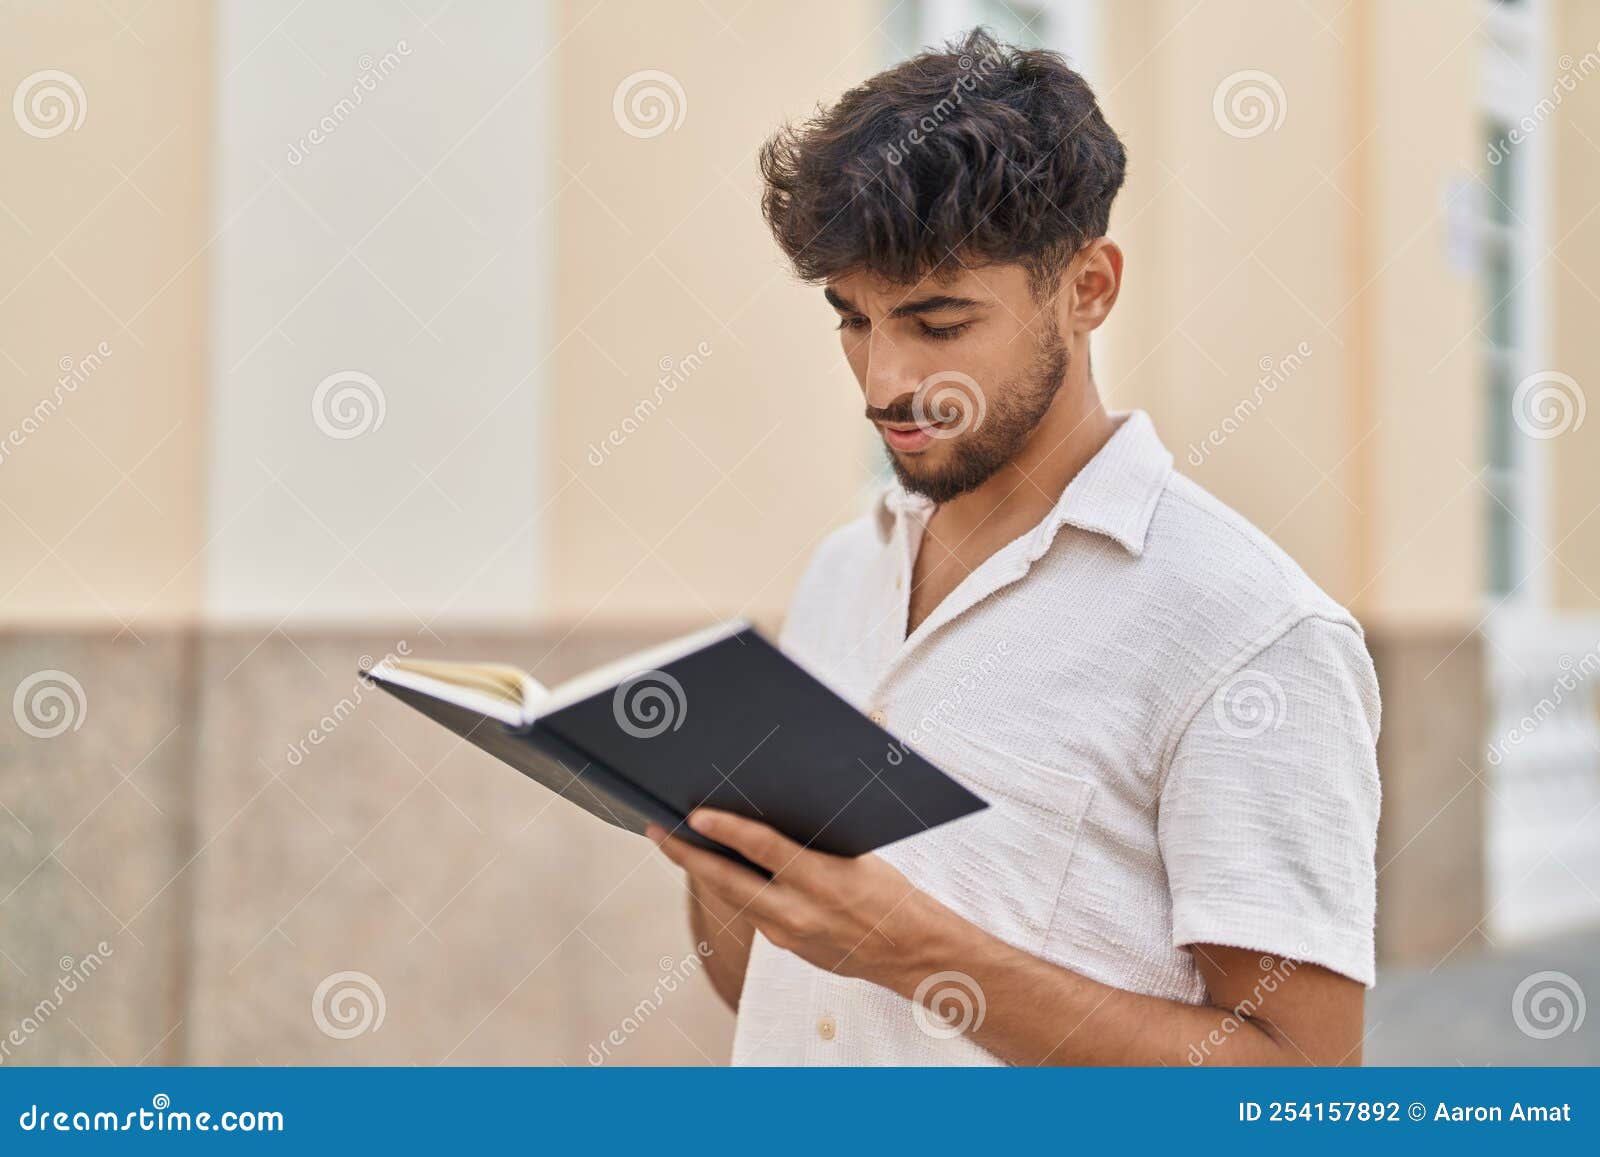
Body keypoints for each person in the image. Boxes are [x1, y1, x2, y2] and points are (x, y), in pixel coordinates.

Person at [648, 27, 1380, 1067]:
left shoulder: (1250, 632)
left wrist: (913, 951)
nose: (881, 381)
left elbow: (1298, 1083)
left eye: (937, 323)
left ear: (1088, 288)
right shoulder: (843, 572)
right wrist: (715, 856)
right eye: (850, 320)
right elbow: (771, 993)